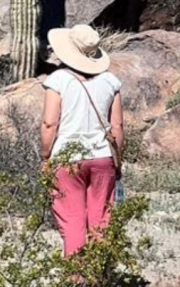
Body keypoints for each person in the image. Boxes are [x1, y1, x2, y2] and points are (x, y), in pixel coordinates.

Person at [41, 24, 124, 256]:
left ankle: (77, 278)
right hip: (102, 157)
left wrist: (45, 157)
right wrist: (118, 160)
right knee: (101, 222)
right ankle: (98, 276)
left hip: (67, 157)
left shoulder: (58, 80)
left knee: (73, 222)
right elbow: (117, 126)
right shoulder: (110, 81)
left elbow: (49, 123)